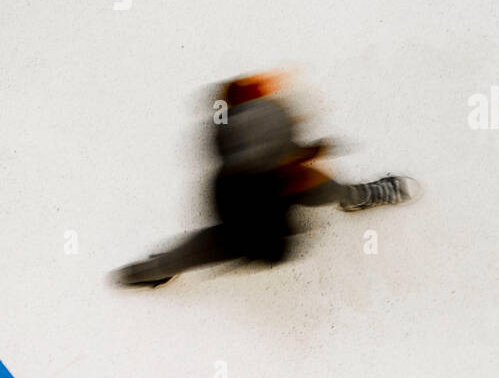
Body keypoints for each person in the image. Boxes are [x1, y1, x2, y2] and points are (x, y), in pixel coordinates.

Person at [113, 71, 415, 288]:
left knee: (303, 182)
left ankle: (159, 267)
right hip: (260, 233)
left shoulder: (233, 135)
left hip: (251, 191)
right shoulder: (277, 181)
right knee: (223, 241)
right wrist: (299, 157)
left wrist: (298, 152)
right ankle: (358, 197)